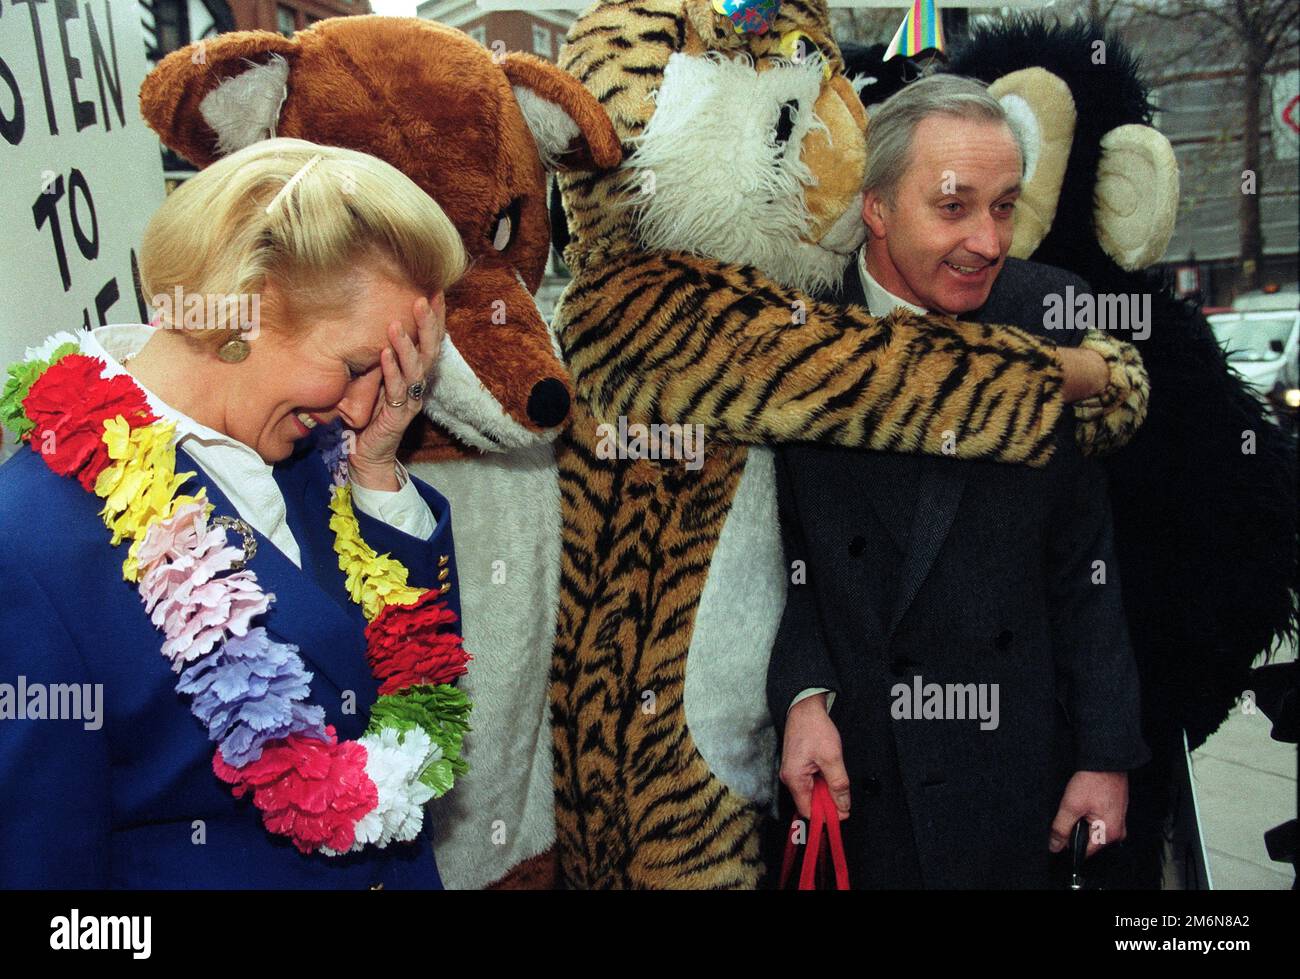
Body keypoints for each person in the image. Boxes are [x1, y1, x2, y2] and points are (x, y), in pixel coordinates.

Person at [0, 138, 469, 888]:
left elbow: (417, 676)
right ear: (248, 305)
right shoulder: (32, 543)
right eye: (356, 367)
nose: (362, 407)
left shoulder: (319, 452)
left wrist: (377, 468)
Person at [768, 75, 1150, 888]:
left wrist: (1105, 754)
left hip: (1012, 779)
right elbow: (775, 554)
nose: (988, 240)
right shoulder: (798, 333)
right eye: (954, 206)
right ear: (876, 208)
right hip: (854, 774)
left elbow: (1085, 561)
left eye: (1004, 206)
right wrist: (801, 694)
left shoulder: (1052, 316)